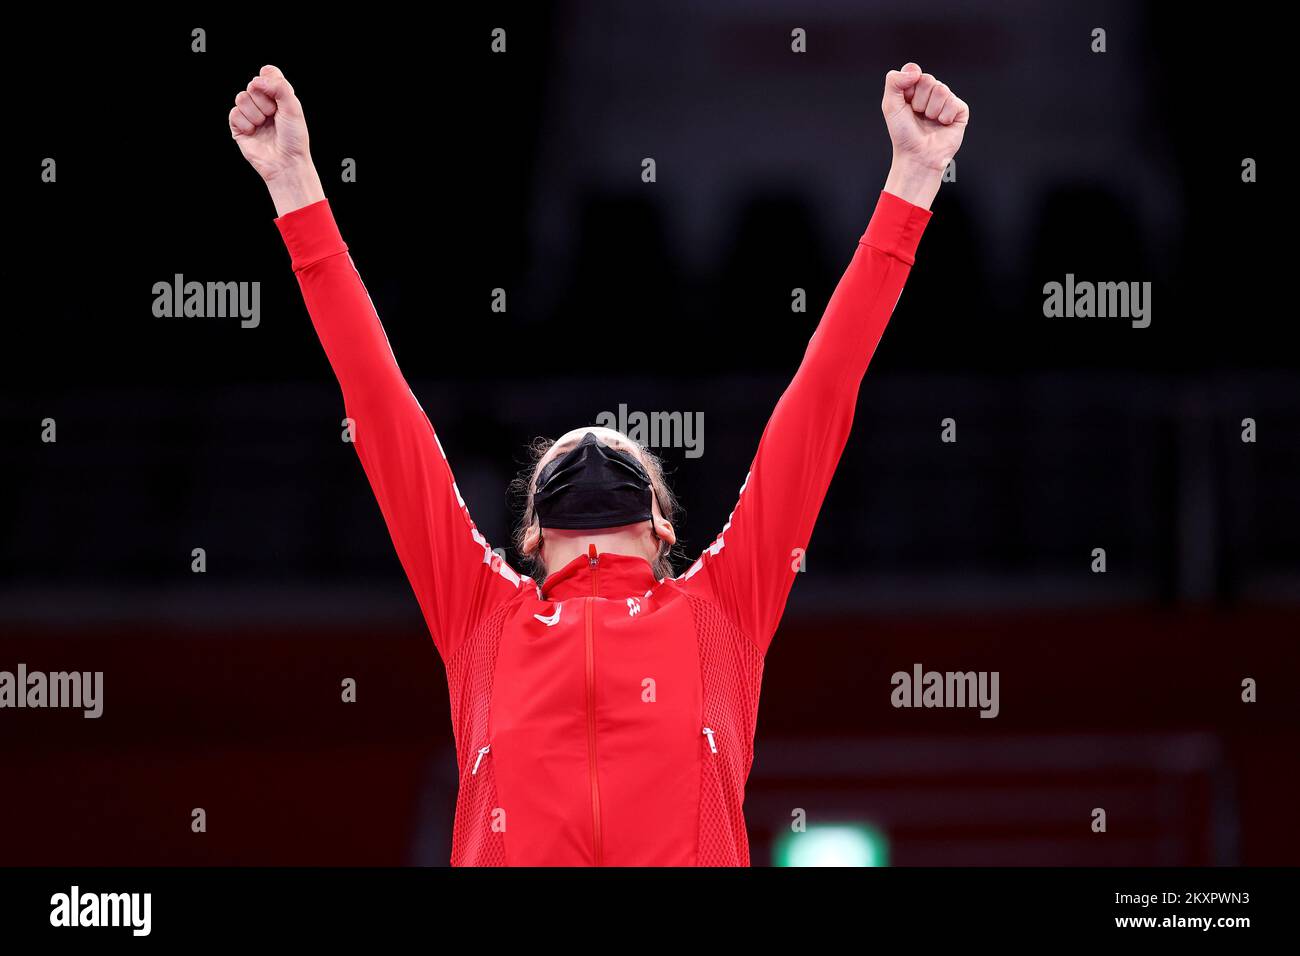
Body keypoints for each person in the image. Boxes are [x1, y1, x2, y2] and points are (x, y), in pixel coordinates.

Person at [229, 61, 968, 866]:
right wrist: (293, 181)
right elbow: (378, 410)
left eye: (616, 453)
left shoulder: (719, 612)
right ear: (535, 542)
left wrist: (917, 177)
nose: (588, 444)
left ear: (659, 531)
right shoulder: (482, 618)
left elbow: (822, 397)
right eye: (579, 454)